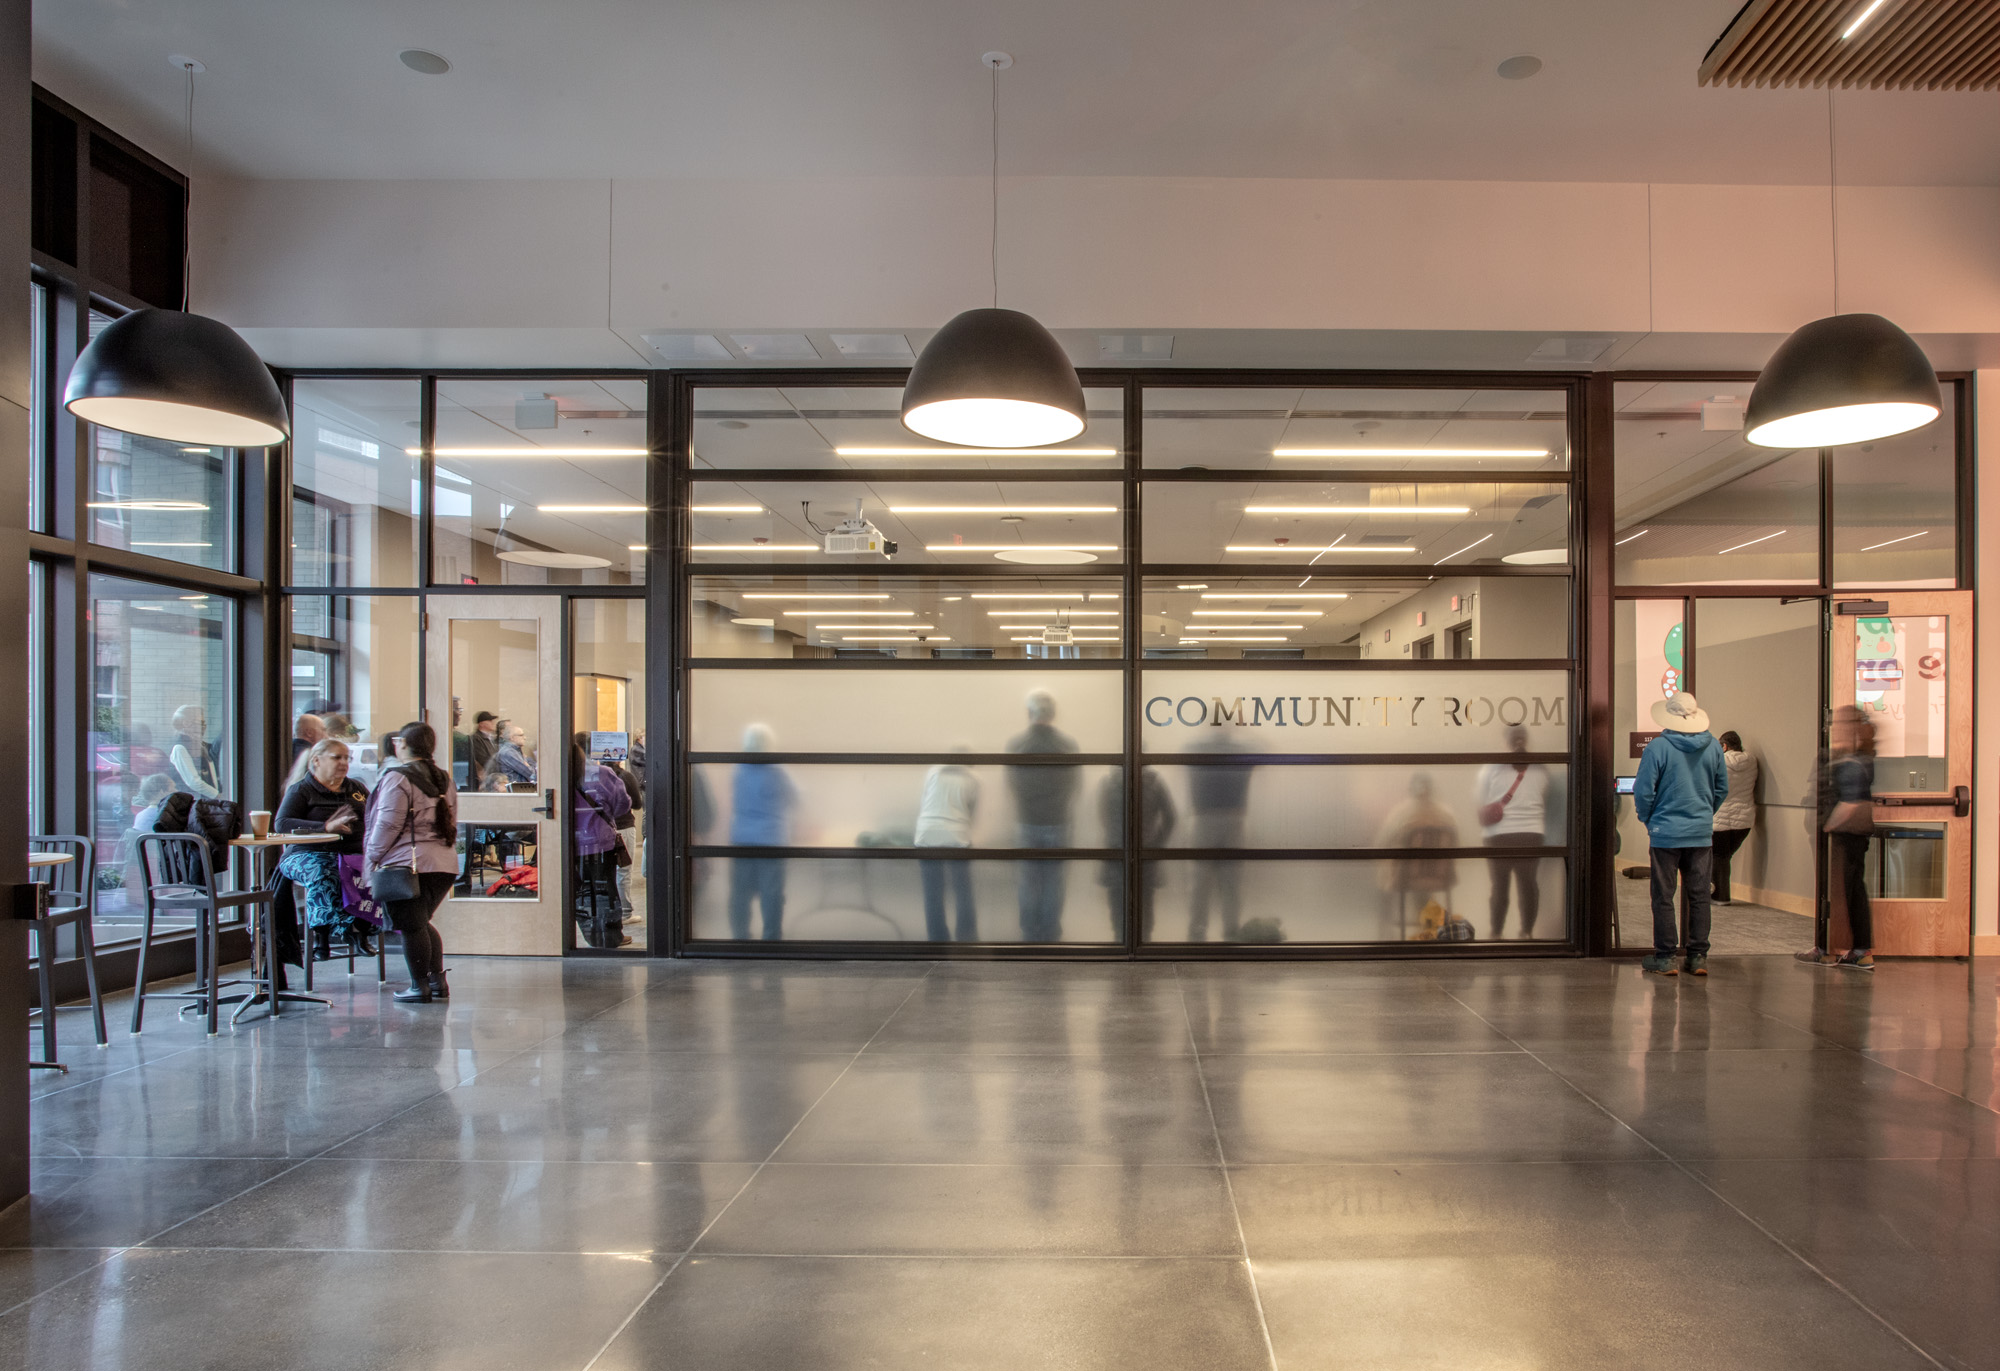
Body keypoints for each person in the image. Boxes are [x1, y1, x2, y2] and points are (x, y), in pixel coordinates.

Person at [1633, 691, 1729, 976]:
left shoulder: (1657, 748)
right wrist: (1703, 814)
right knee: (1699, 895)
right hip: (1700, 833)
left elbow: (1643, 790)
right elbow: (1721, 788)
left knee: (1663, 895)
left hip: (1665, 833)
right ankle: (1698, 956)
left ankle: (1665, 957)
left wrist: (1648, 818)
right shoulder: (1713, 747)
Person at [364, 722, 458, 1003]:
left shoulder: (398, 778)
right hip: (443, 863)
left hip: (408, 864)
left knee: (411, 925)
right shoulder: (444, 778)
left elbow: (387, 825)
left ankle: (419, 986)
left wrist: (371, 858)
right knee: (421, 923)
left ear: (402, 744)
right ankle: (436, 982)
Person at [275, 737, 375, 958]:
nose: (343, 763)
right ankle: (322, 939)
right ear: (317, 760)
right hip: (307, 854)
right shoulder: (301, 790)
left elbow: (374, 817)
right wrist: (325, 827)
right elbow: (282, 824)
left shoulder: (356, 788)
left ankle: (360, 930)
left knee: (371, 873)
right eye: (336, 757)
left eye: (346, 758)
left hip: (351, 854)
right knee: (324, 872)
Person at [1798, 706, 1878, 972]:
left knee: (1847, 893)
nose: (1832, 727)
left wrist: (1829, 827)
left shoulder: (1854, 762)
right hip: (1841, 836)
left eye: (1836, 722)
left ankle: (1852, 950)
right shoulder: (1844, 756)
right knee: (1839, 892)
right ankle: (1830, 947)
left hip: (1844, 837)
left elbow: (1852, 802)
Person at [1006, 690, 1079, 942]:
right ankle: (1050, 932)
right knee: (1054, 882)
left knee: (1028, 881)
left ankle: (1029, 931)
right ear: (1054, 714)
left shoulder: (1016, 745)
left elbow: (1012, 783)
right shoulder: (1068, 745)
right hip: (1058, 820)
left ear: (1029, 713)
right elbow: (1075, 784)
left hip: (1027, 820)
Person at [1476, 723, 1550, 939]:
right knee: (1528, 886)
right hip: (1531, 834)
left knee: (1499, 888)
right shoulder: (1541, 767)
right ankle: (1526, 932)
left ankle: (1496, 933)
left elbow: (1480, 799)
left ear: (1507, 742)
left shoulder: (1492, 767)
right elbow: (1545, 799)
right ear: (1525, 740)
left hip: (1498, 835)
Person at [728, 723, 796, 940]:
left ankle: (740, 936)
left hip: (742, 838)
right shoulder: (777, 772)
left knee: (741, 893)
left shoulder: (738, 770)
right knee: (772, 893)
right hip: (772, 838)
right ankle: (771, 937)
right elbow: (793, 798)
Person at [1375, 772, 1459, 939]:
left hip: (1406, 876)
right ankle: (1429, 924)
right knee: (1421, 885)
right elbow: (1456, 843)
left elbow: (1382, 841)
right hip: (1441, 876)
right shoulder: (1445, 814)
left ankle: (1384, 930)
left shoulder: (1402, 813)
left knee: (1386, 877)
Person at [1186, 732, 1253, 941]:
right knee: (1231, 882)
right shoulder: (1242, 751)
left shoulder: (1198, 748)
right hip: (1233, 816)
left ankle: (1197, 932)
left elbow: (1187, 755)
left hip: (1204, 816)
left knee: (1200, 882)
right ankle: (1231, 931)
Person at [1097, 767, 1176, 941]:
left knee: (1117, 899)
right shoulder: (1155, 783)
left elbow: (1102, 814)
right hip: (1146, 851)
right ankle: (1143, 940)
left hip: (1116, 850)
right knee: (1145, 899)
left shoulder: (1108, 783)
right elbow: (1171, 817)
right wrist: (1157, 842)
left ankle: (1120, 939)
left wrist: (1113, 834)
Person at [572, 733, 633, 948]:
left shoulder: (557, 772)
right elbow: (622, 805)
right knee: (606, 888)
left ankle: (589, 933)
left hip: (571, 844)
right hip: (601, 842)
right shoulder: (603, 774)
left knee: (578, 889)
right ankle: (610, 936)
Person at [915, 750, 980, 941]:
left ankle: (937, 941)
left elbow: (924, 803)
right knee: (963, 891)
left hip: (927, 834)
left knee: (932, 893)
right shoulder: (972, 777)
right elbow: (971, 811)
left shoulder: (933, 771)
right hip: (957, 835)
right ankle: (967, 940)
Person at [1710, 730, 1759, 905]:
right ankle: (1720, 894)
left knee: (1717, 856)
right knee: (1724, 856)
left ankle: (1719, 895)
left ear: (1724, 745)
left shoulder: (1718, 761)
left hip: (1719, 818)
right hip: (1744, 820)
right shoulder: (1752, 760)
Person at [169, 704, 221, 799]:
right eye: (200, 722)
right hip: (193, 804)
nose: (203, 726)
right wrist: (217, 795)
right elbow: (193, 781)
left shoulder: (201, 746)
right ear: (186, 723)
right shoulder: (180, 748)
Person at [493, 722, 537, 788]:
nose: (524, 738)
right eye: (521, 735)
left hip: (521, 789)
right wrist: (529, 766)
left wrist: (529, 765)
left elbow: (534, 767)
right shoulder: (508, 752)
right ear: (512, 737)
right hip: (516, 791)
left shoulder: (516, 751)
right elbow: (531, 773)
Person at [468, 711, 499, 790]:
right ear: (481, 724)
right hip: (487, 777)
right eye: (489, 721)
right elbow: (482, 759)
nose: (493, 723)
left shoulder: (492, 739)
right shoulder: (476, 739)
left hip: (494, 775)